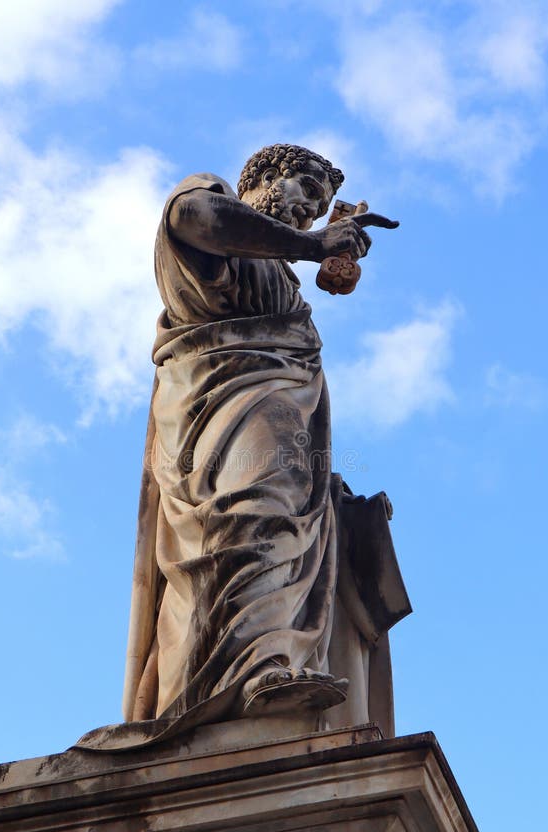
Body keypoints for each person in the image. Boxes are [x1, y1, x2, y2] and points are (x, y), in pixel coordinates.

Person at [121, 144, 400, 742]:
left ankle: (273, 662)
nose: (311, 208)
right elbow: (193, 219)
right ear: (264, 178)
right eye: (305, 187)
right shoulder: (212, 198)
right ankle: (257, 670)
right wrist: (312, 245)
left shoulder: (289, 292)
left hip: (285, 424)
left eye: (322, 204)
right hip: (220, 402)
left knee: (279, 514)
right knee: (249, 516)